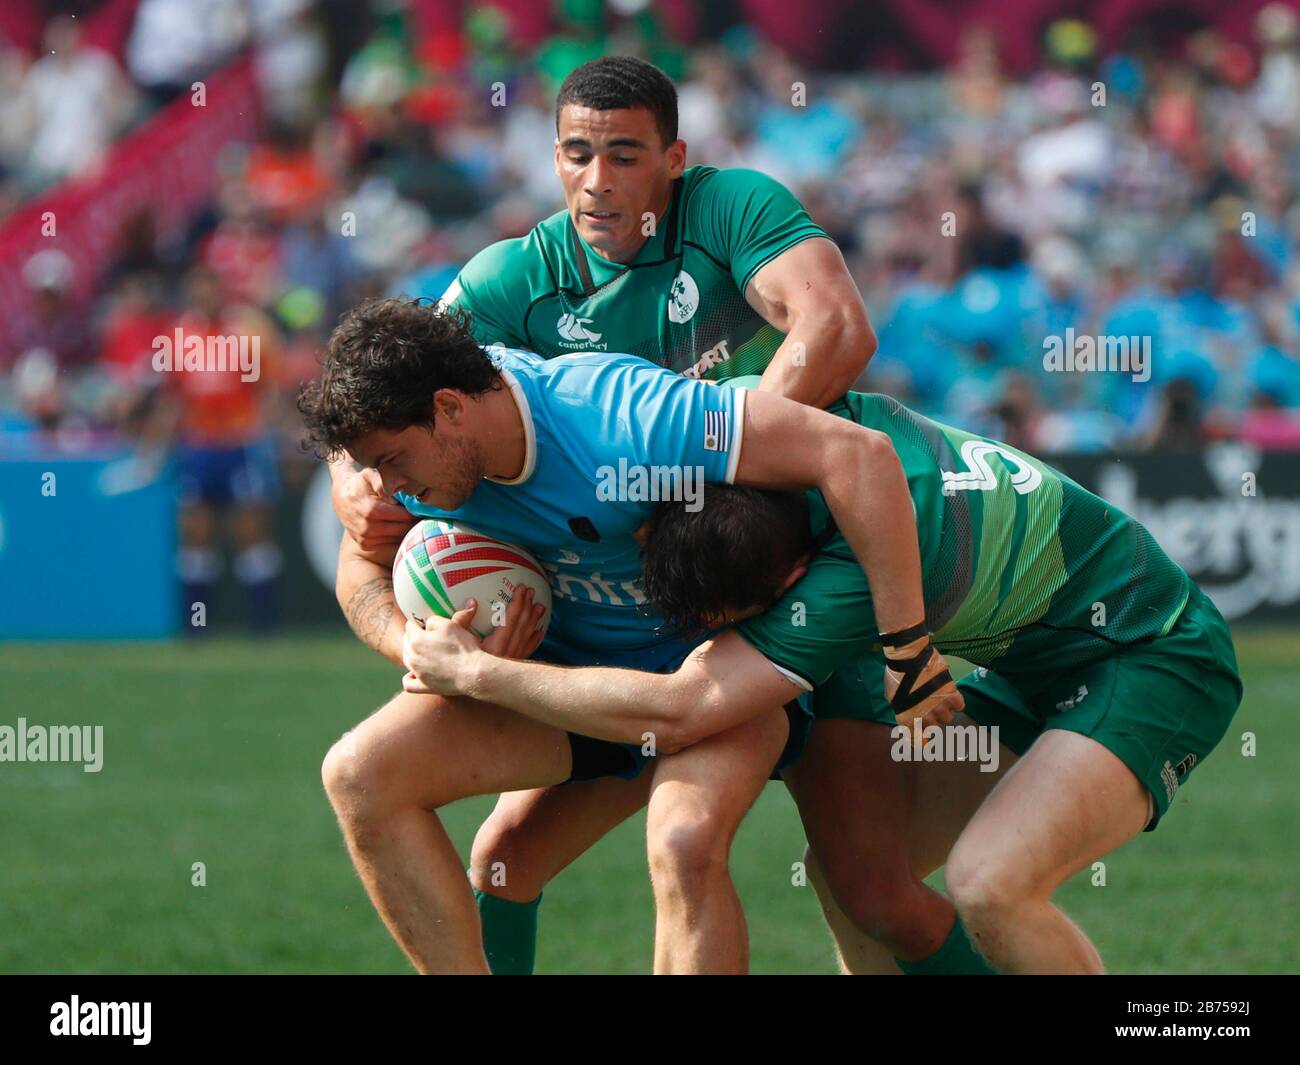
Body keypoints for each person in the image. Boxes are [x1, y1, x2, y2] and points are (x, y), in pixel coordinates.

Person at [325, 55, 979, 975]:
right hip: (629, 631)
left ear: (673, 158)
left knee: (872, 894)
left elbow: (835, 328)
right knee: (503, 859)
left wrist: (708, 491)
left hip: (781, 585)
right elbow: (386, 392)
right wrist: (348, 480)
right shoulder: (513, 278)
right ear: (553, 159)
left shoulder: (730, 209)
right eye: (578, 154)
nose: (599, 181)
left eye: (625, 154)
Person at [403, 384, 1244, 974]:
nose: (722, 639)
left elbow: (685, 705)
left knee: (991, 883)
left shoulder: (845, 580)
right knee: (859, 883)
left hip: (1153, 655)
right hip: (1035, 671)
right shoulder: (777, 433)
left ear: (795, 575)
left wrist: (477, 673)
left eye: (737, 622)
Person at [298, 298, 954, 974]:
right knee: (375, 784)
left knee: (690, 844)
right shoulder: (412, 469)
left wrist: (908, 644)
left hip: (721, 675)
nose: (387, 484)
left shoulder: (623, 415)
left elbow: (854, 451)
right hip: (577, 687)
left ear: (451, 408)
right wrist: (413, 645)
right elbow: (363, 561)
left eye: (393, 460)